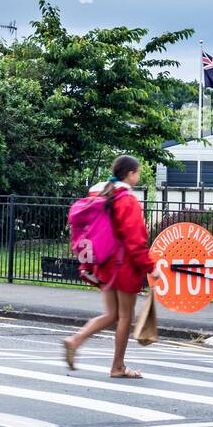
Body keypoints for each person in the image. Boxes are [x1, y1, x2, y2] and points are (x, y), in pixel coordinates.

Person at [62, 155, 164, 378]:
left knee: (111, 314)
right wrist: (150, 267)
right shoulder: (127, 201)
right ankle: (117, 366)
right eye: (137, 172)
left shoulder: (105, 193)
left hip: (105, 263)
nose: (138, 176)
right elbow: (135, 239)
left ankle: (75, 340)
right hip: (124, 266)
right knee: (125, 317)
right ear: (130, 174)